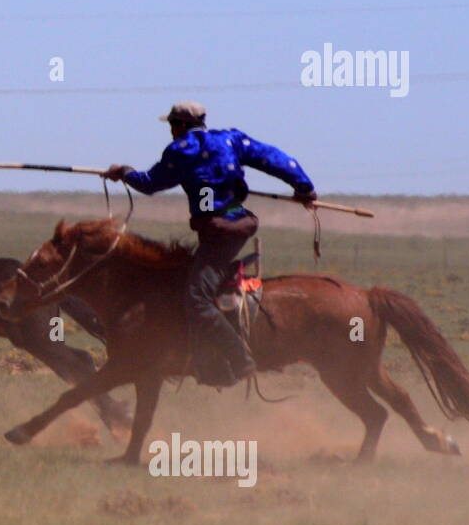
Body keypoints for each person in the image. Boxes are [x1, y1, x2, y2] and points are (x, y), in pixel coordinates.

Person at [104, 102, 317, 388]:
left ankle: (239, 358)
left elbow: (150, 183)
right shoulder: (231, 139)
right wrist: (303, 187)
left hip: (220, 233)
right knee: (196, 283)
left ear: (178, 125)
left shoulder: (180, 151)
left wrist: (124, 172)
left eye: (171, 125)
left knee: (197, 298)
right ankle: (207, 360)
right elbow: (273, 157)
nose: (171, 131)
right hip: (237, 224)